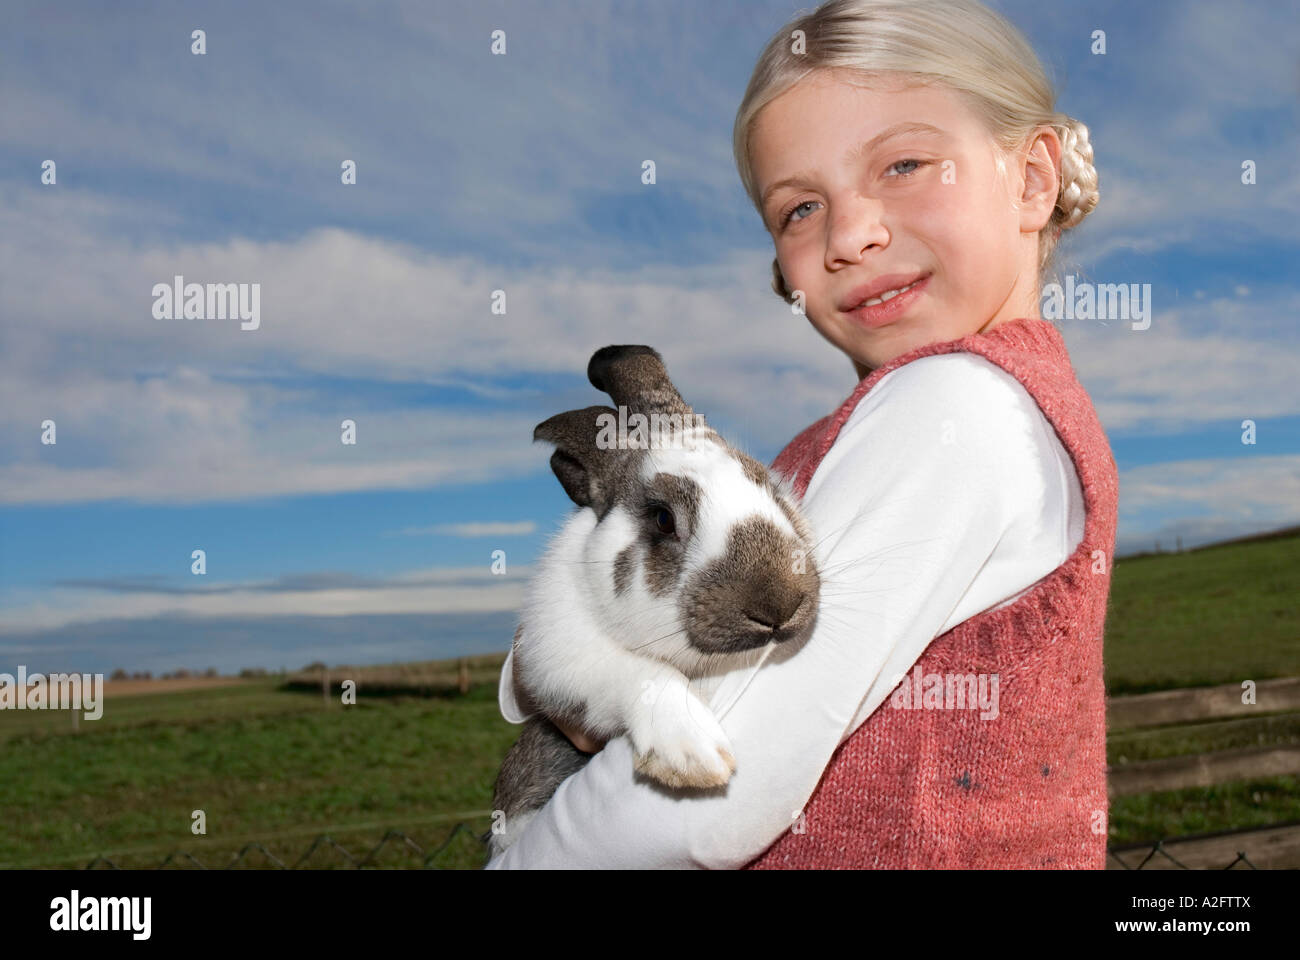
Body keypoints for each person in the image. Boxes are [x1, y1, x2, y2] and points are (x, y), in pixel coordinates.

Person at [487, 0, 1115, 869]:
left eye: (904, 162)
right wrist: (562, 669)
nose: (852, 236)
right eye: (799, 210)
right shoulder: (878, 431)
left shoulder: (955, 409)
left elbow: (700, 802)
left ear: (1033, 178)